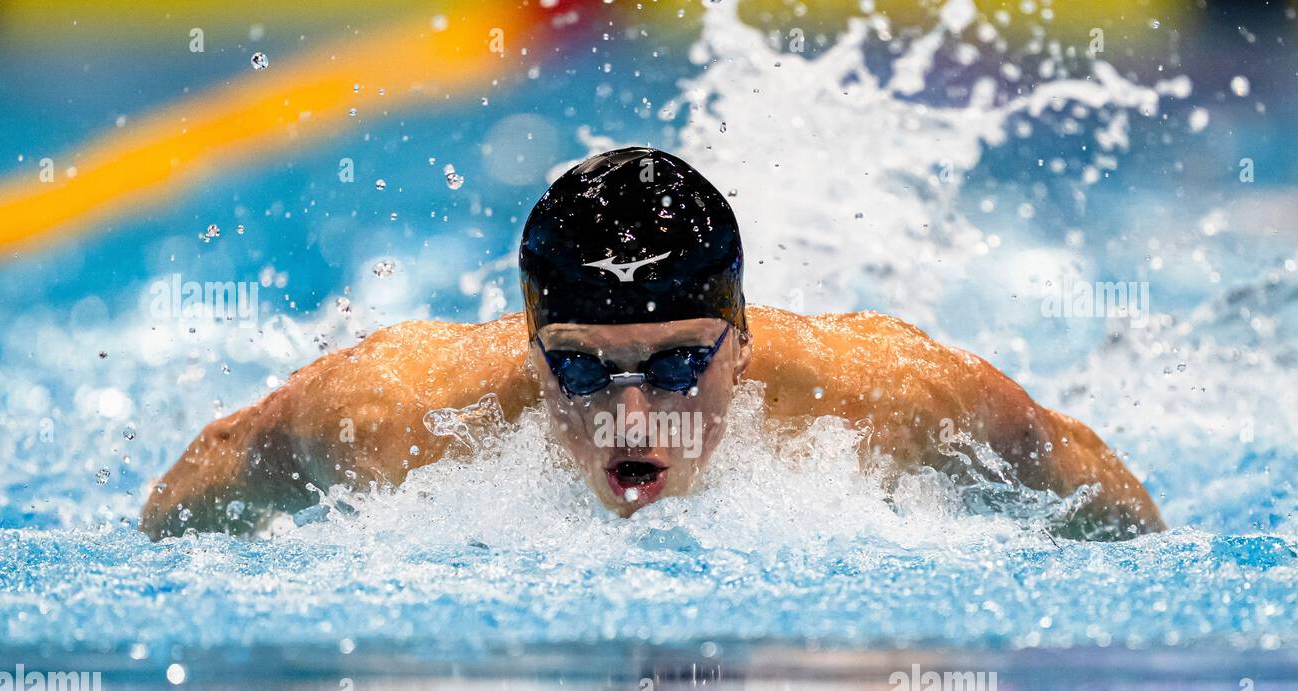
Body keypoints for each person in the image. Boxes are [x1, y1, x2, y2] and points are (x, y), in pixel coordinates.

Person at [140, 147, 1164, 541]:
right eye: (582, 367)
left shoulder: (890, 398)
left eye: (677, 362)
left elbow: (1113, 517)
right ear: (532, 351)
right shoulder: (389, 416)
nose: (635, 416)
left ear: (745, 346)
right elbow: (180, 514)